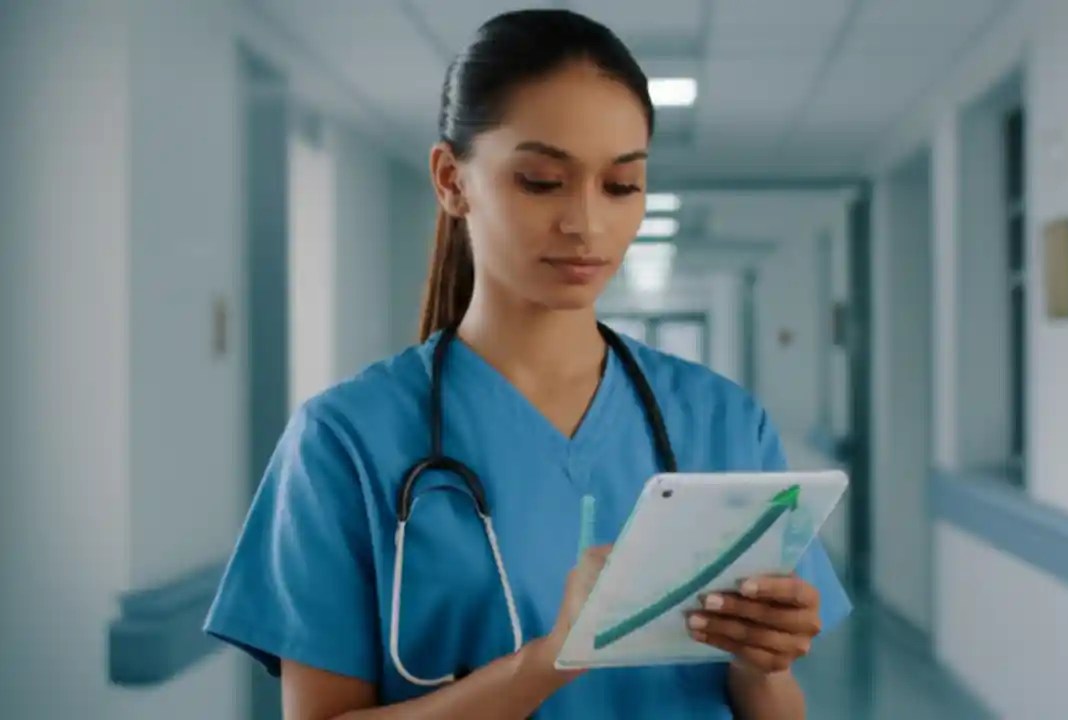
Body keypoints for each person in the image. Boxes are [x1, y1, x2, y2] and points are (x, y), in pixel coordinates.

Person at [204, 8, 851, 719]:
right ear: (452, 180)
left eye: (621, 185)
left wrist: (762, 668)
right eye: (542, 181)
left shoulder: (724, 423)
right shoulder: (346, 440)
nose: (587, 224)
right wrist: (549, 663)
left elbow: (772, 702)